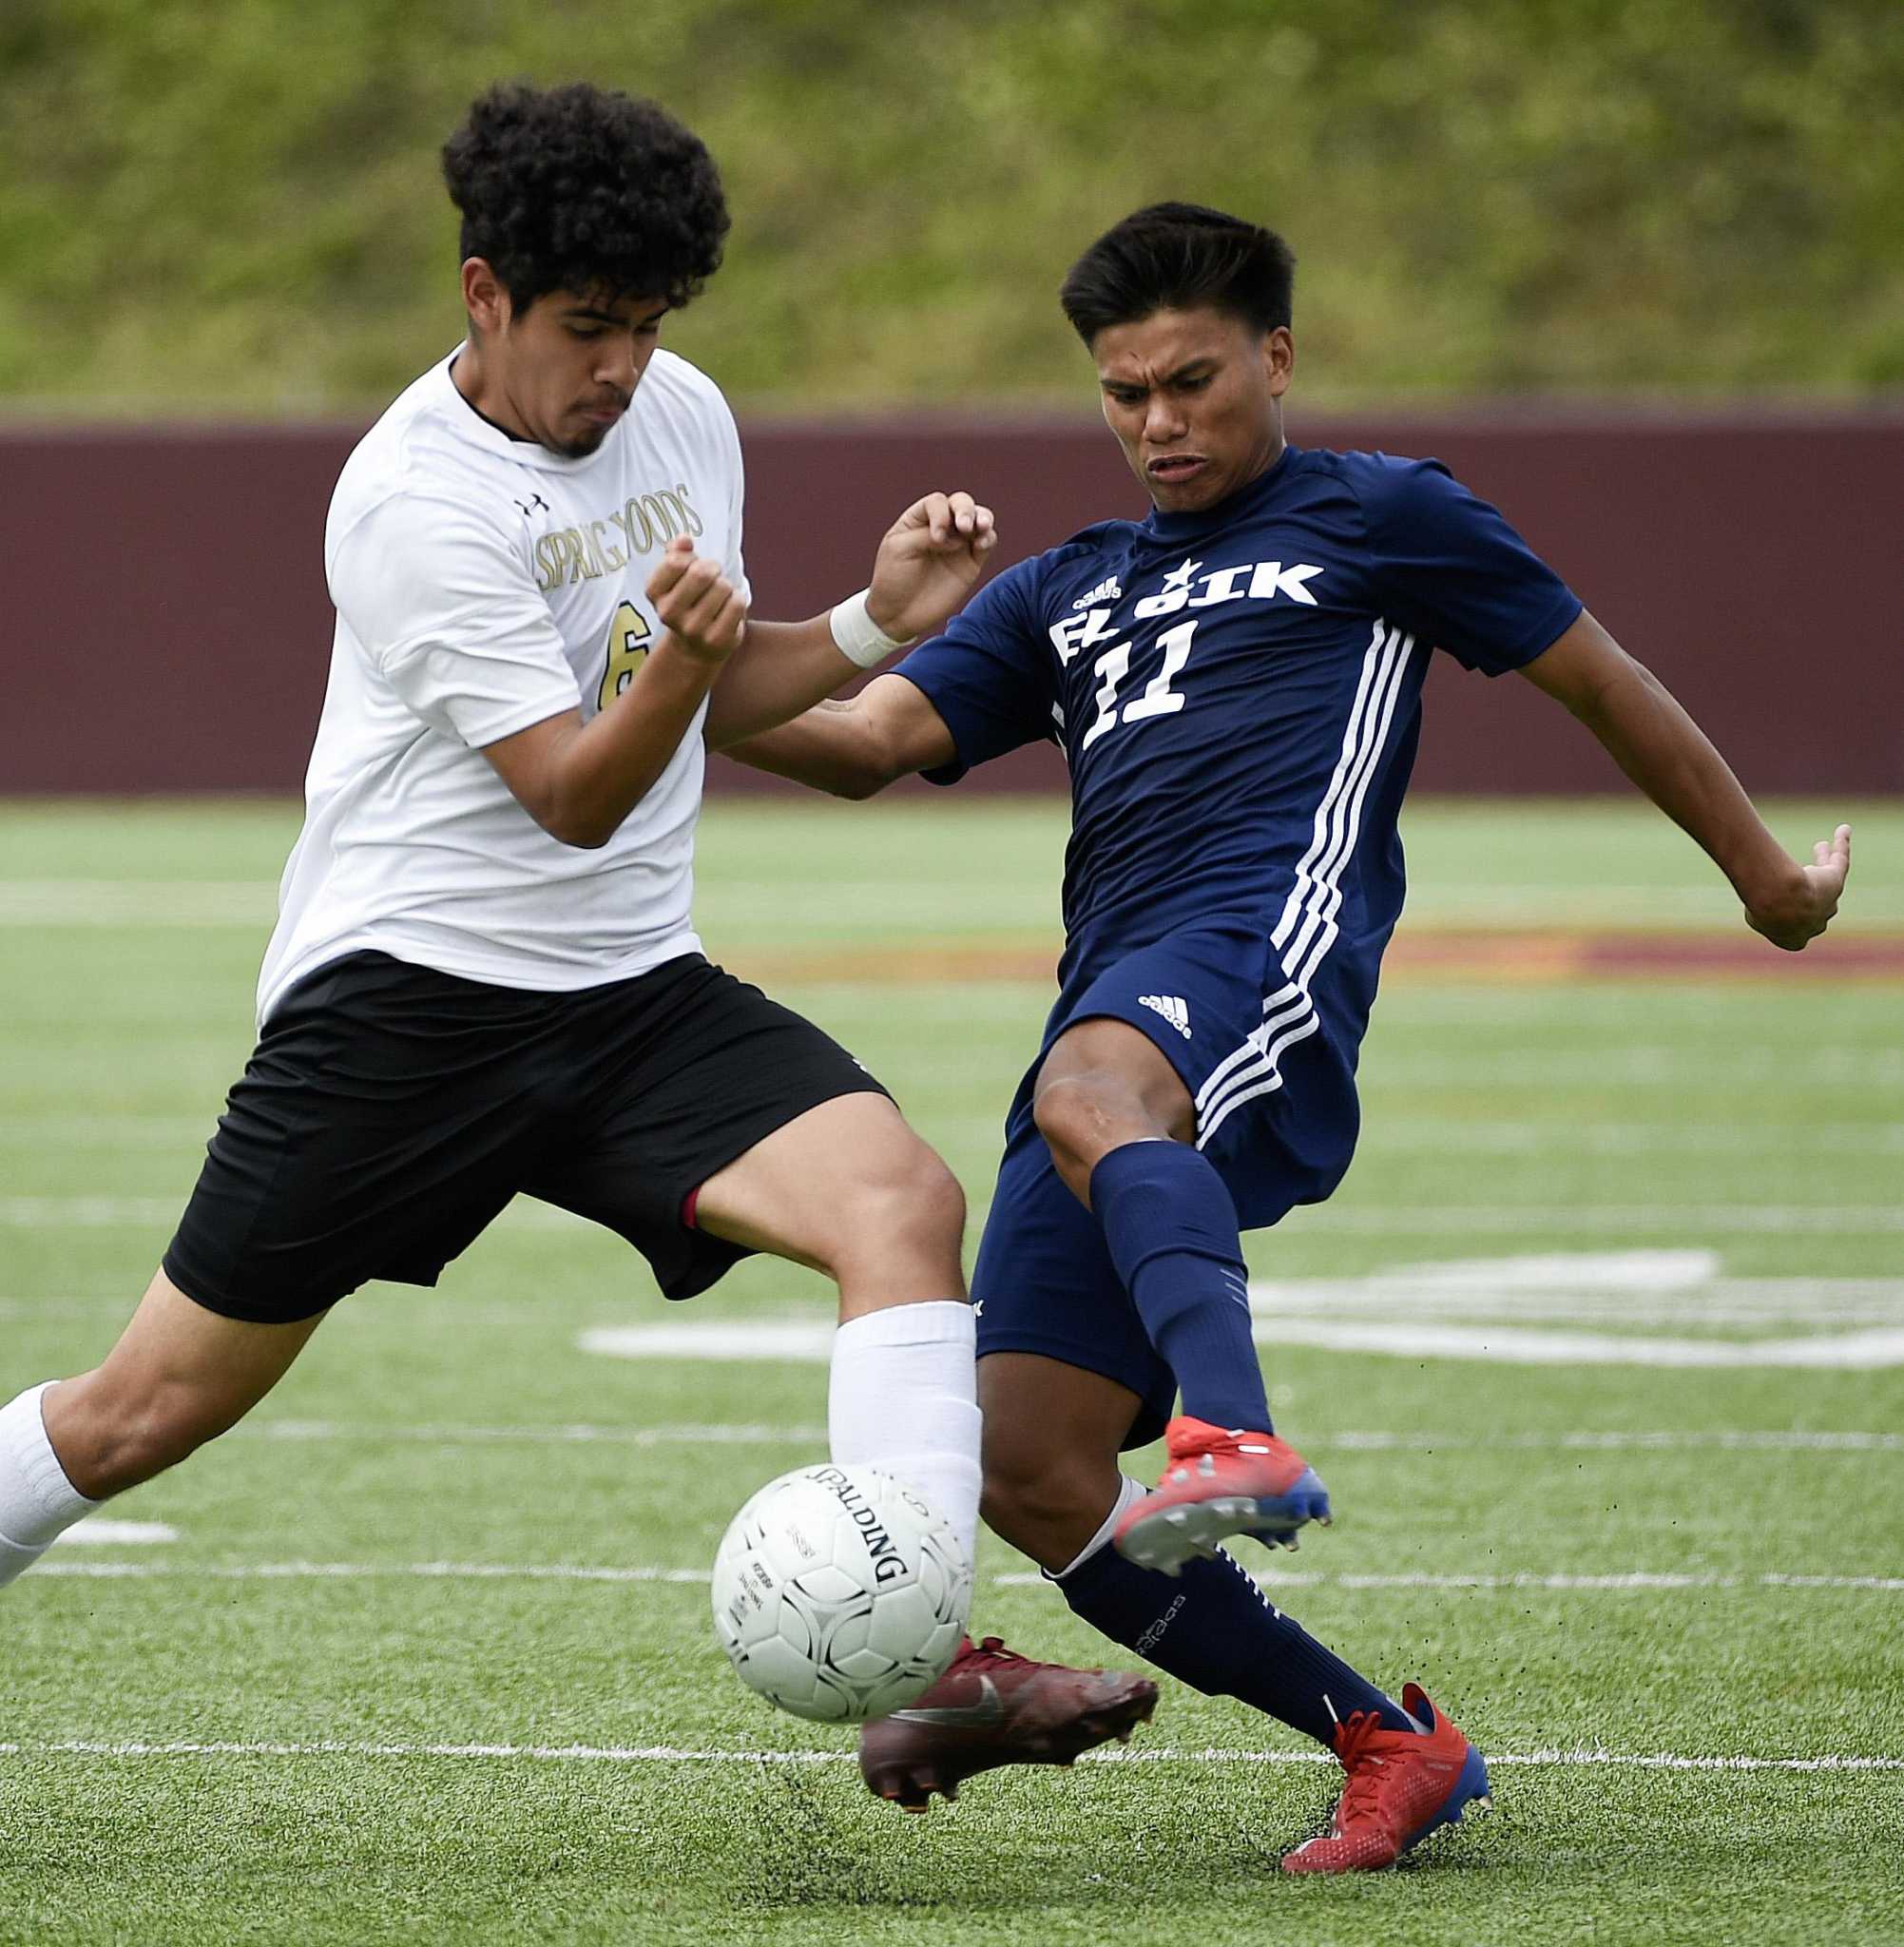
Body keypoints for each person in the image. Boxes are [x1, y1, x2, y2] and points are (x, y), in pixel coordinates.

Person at [0, 82, 1158, 1793]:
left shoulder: (683, 413)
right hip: (404, 1008)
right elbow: (575, 786)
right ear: (485, 295)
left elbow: (705, 688)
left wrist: (866, 622)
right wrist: (691, 659)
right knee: (140, 1413)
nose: (622, 367)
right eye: (587, 327)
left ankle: (931, 1663)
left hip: (626, 992)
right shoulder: (410, 503)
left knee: (900, 1203)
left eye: (649, 324)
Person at [729, 202, 1855, 1870]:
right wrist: (666, 675)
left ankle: (1232, 1432)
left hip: (1267, 946)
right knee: (1026, 1459)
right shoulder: (1066, 584)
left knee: (1090, 1093)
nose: (1159, 422)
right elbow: (854, 740)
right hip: (1112, 1001)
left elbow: (1602, 680)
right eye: (1125, 394)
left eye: (1191, 381)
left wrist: (1763, 876)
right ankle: (1389, 1743)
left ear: (1276, 358)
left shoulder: (1382, 515)